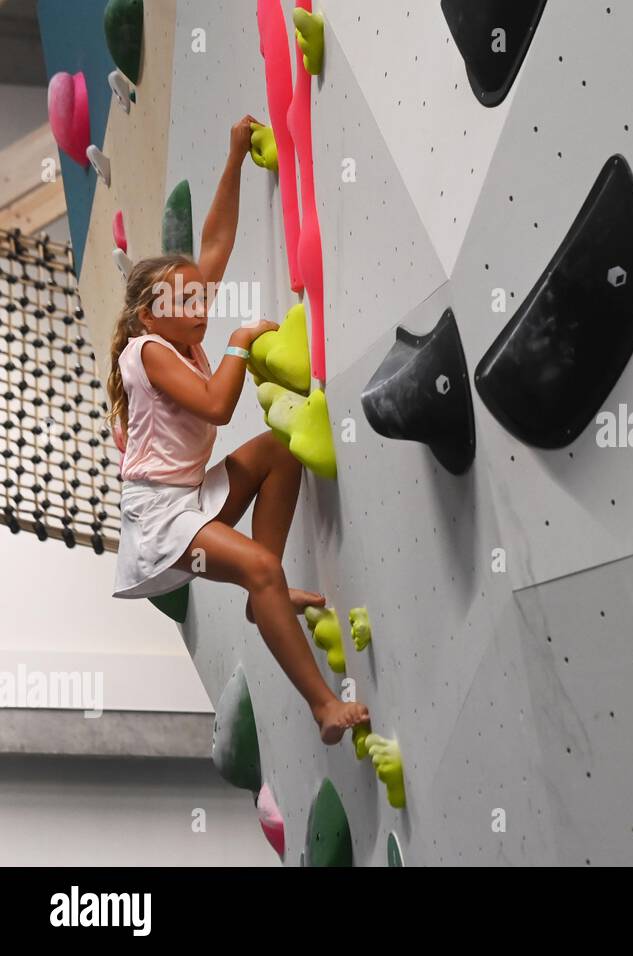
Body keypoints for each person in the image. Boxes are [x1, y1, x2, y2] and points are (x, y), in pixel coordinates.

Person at [105, 116, 368, 744]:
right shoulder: (148, 352)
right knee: (259, 568)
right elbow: (219, 406)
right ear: (150, 315)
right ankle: (325, 707)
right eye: (189, 303)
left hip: (189, 497)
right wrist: (239, 341)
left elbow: (215, 243)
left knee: (281, 451)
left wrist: (233, 160)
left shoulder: (181, 332)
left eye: (204, 300)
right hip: (164, 523)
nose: (203, 307)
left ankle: (263, 589)